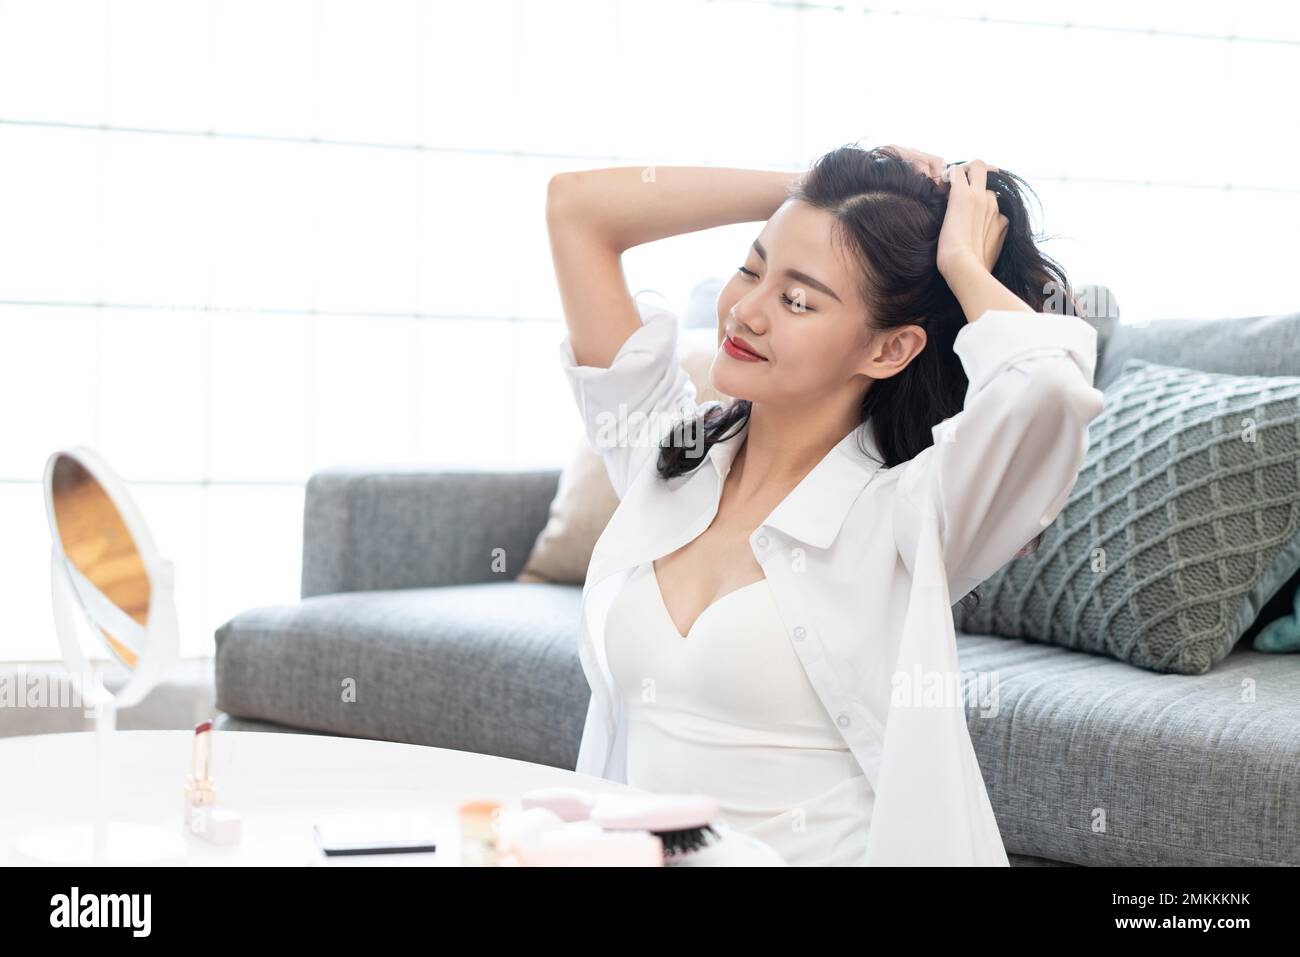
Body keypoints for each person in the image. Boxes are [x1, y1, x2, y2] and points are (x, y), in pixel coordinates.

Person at [546, 143, 1104, 865]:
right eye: (752, 268)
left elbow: (1049, 387)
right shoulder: (670, 460)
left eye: (797, 298)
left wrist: (960, 262)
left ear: (890, 348)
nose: (745, 311)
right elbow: (577, 210)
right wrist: (808, 191)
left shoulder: (912, 512)